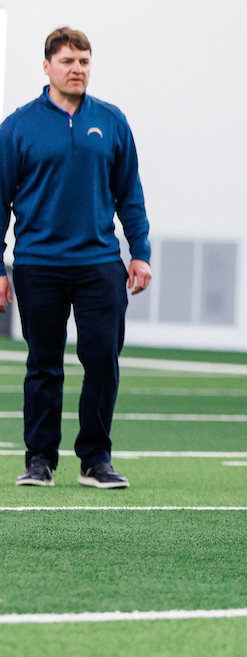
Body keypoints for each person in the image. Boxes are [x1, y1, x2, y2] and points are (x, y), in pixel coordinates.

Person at [2, 27, 152, 489]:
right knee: (43, 363)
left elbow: (130, 194)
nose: (77, 69)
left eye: (84, 61)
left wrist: (139, 253)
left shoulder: (111, 121)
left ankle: (95, 459)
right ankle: (40, 460)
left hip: (99, 263)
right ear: (47, 66)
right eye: (68, 61)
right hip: (37, 262)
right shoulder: (18, 126)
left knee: (103, 358)